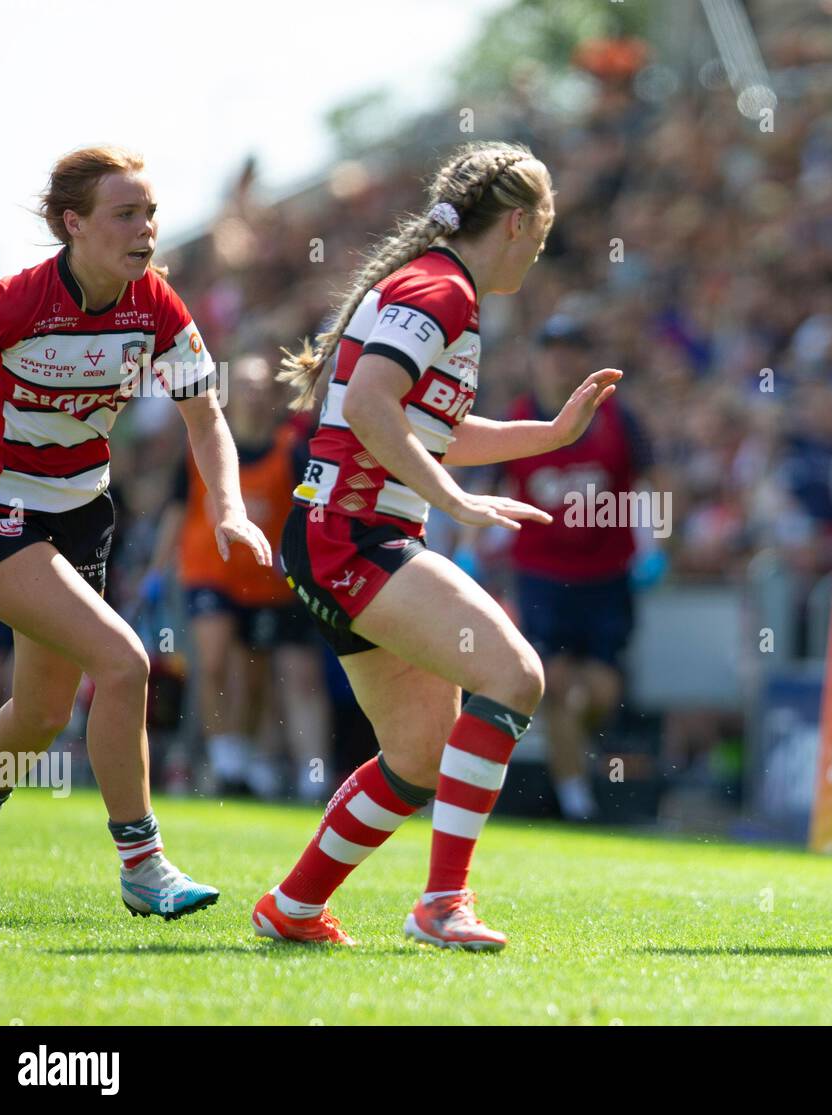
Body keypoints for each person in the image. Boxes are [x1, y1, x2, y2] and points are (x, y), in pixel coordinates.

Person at [252, 141, 622, 949]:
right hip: (354, 536)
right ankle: (442, 902)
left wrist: (550, 432)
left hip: (336, 537)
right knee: (515, 674)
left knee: (418, 753)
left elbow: (427, 428)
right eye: (545, 231)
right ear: (518, 222)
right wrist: (450, 500)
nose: (542, 250)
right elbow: (376, 408)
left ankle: (294, 904)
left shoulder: (437, 285)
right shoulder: (440, 290)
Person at [0, 146, 271, 916]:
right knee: (126, 662)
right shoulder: (6, 304)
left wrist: (229, 507)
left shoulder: (157, 307)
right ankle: (144, 864)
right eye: (125, 214)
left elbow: (207, 419)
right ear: (74, 225)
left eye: (151, 213)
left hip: (82, 513)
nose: (146, 229)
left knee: (40, 712)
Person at [146, 354, 329, 800]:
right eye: (242, 384)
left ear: (271, 394)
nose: (251, 393)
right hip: (207, 571)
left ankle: (245, 757)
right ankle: (225, 758)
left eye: (258, 385)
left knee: (254, 676)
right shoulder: (203, 445)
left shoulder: (291, 450)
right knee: (211, 658)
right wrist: (155, 570)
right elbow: (176, 509)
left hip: (267, 582)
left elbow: (310, 515)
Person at [498, 313, 655, 820]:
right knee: (558, 684)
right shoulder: (517, 419)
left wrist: (658, 540)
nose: (561, 361)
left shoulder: (619, 420)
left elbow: (655, 478)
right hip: (542, 576)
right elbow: (488, 484)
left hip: (607, 576)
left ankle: (575, 773)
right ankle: (576, 800)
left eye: (572, 350)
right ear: (536, 359)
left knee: (599, 693)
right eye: (552, 350)